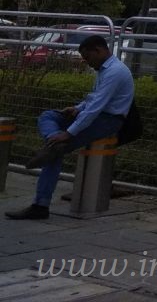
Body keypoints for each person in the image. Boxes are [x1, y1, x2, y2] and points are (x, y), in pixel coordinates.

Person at [5, 33, 134, 221]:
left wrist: (68, 133)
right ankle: (53, 143)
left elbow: (96, 108)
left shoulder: (115, 72)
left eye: (88, 57)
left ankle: (41, 204)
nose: (87, 62)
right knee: (48, 116)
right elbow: (93, 100)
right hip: (96, 115)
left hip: (107, 121)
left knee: (56, 148)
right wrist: (77, 108)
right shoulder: (105, 70)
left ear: (98, 50)